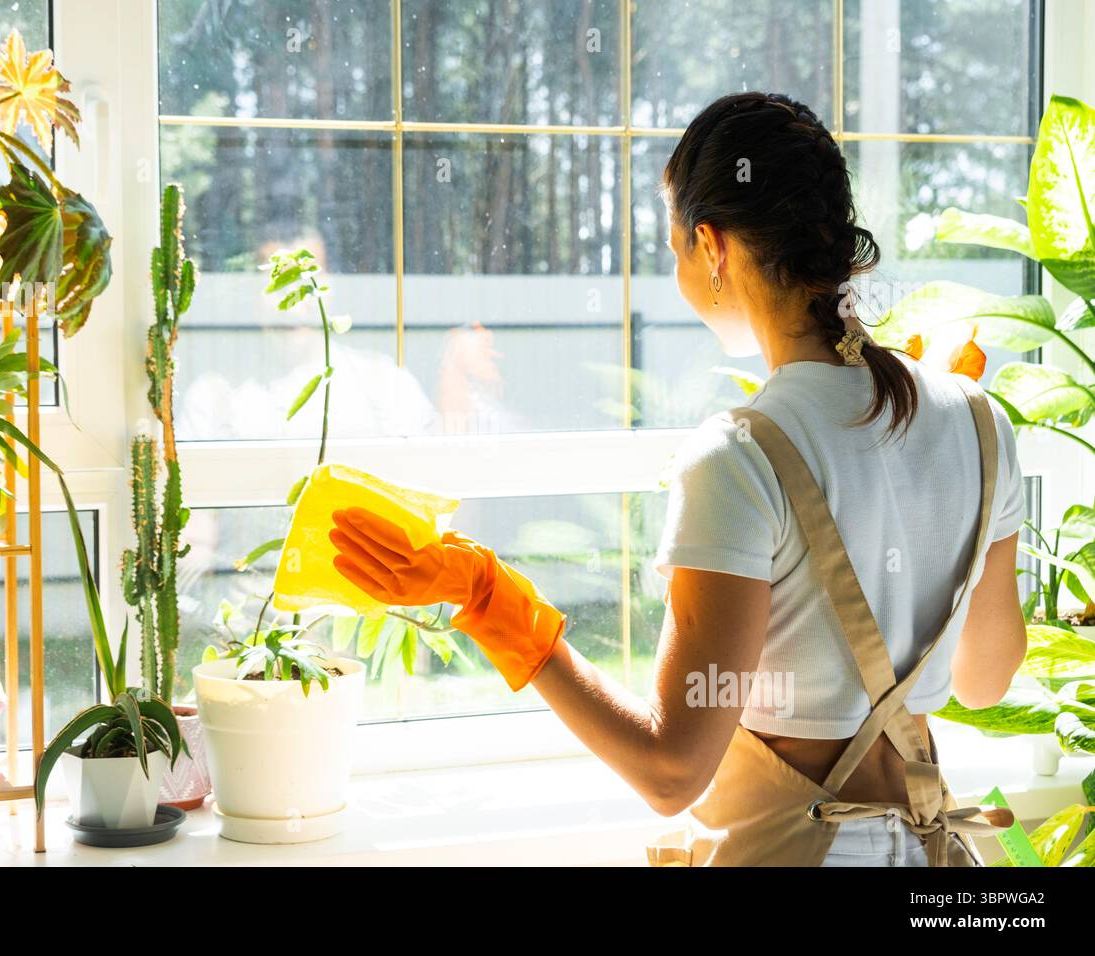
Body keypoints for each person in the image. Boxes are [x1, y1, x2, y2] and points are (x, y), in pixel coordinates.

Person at [328, 92, 1025, 867]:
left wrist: (492, 601)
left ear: (711, 244)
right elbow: (986, 678)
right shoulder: (978, 417)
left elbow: (671, 771)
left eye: (673, 243)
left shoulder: (738, 456)